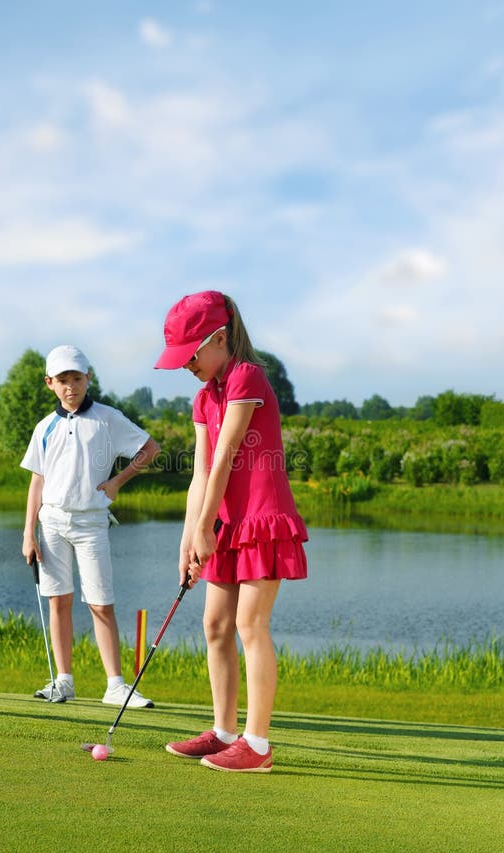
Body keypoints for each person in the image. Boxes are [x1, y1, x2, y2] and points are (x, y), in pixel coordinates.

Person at [154, 291, 308, 774]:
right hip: (221, 526)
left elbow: (227, 455)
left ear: (219, 338)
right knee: (215, 625)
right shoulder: (204, 396)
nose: (186, 366)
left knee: (249, 625)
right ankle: (222, 733)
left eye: (191, 355)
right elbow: (200, 474)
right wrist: (188, 540)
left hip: (261, 520)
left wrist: (205, 529)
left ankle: (257, 744)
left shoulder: (246, 376)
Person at [21, 344, 160, 706]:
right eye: (63, 380)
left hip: (91, 523)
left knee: (101, 603)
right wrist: (27, 535)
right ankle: (63, 681)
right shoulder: (45, 427)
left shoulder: (107, 418)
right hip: (50, 522)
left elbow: (150, 448)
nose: (71, 386)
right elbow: (37, 481)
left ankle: (115, 686)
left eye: (77, 379)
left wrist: (117, 481)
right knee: (59, 602)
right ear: (49, 383)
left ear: (88, 378)